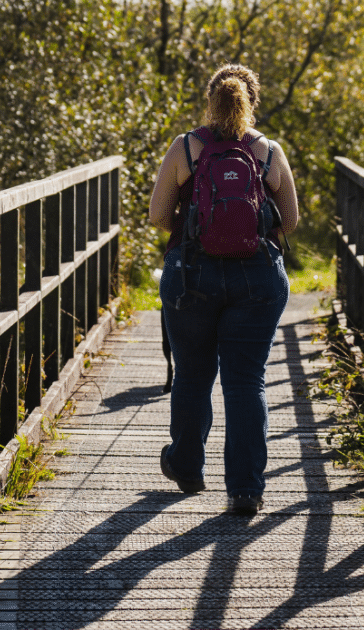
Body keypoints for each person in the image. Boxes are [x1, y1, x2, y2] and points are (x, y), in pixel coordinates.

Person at [148, 63, 299, 515]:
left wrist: (196, 229)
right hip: (257, 280)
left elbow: (158, 216)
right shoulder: (269, 151)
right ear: (251, 101)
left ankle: (188, 467)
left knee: (193, 374)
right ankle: (246, 489)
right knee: (246, 380)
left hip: (193, 276)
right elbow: (288, 222)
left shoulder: (185, 147)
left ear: (210, 100)